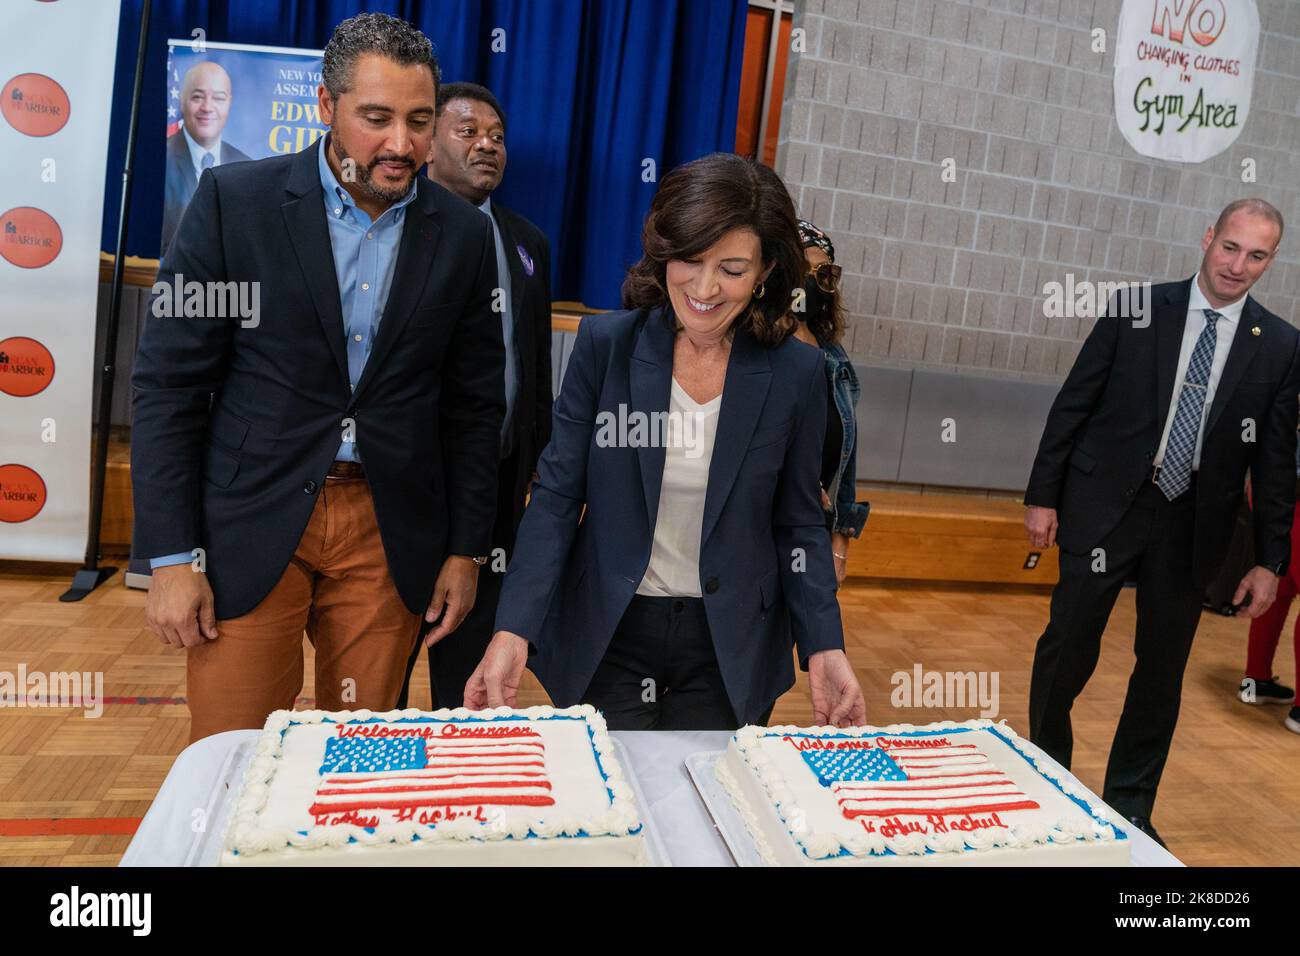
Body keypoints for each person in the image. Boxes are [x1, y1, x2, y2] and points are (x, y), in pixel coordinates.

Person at [132, 13, 505, 742]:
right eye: (377, 118)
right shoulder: (232, 205)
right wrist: (171, 557)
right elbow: (168, 388)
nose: (401, 144)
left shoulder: (461, 235)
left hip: (390, 531)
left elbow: (473, 406)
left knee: (358, 765)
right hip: (250, 520)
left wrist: (465, 549)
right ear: (327, 107)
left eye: (420, 121)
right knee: (230, 754)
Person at [464, 152, 866, 730]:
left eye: (731, 268)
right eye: (691, 259)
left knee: (710, 807)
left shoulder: (796, 374)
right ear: (664, 252)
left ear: (766, 273)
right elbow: (555, 498)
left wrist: (825, 646)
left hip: (730, 644)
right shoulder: (606, 347)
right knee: (619, 805)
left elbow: (800, 521)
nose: (704, 288)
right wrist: (514, 628)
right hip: (610, 632)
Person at [1024, 198, 1300, 847]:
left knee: (1161, 670)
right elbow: (1073, 405)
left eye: (1256, 255)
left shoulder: (1282, 346)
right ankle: (1045, 775)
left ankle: (1131, 807)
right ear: (1209, 238)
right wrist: (1043, 495)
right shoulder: (1135, 309)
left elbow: (1277, 461)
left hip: (1194, 526)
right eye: (1230, 246)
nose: (1238, 265)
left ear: (1270, 261)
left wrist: (1271, 560)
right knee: (1069, 645)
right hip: (1105, 504)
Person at [395, 81, 553, 709]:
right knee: (384, 662)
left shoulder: (527, 243)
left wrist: (539, 464)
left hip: (498, 484)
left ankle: (462, 771)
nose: (487, 144)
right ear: (427, 142)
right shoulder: (397, 225)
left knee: (470, 670)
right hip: (408, 483)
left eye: (497, 136)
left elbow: (533, 367)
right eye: (468, 131)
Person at [789, 219, 868, 584]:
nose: (811, 282)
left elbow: (845, 460)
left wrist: (840, 543)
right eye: (802, 269)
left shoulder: (834, 356)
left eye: (822, 273)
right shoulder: (751, 350)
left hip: (813, 529)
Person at [1237, 430, 1300, 733]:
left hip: (1276, 490)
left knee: (1279, 587)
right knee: (1278, 587)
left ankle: (1256, 682)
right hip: (1286, 488)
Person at [161, 61, 252, 252]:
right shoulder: (161, 161)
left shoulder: (246, 166)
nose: (207, 107)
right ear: (182, 100)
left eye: (218, 98)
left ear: (229, 103)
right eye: (197, 97)